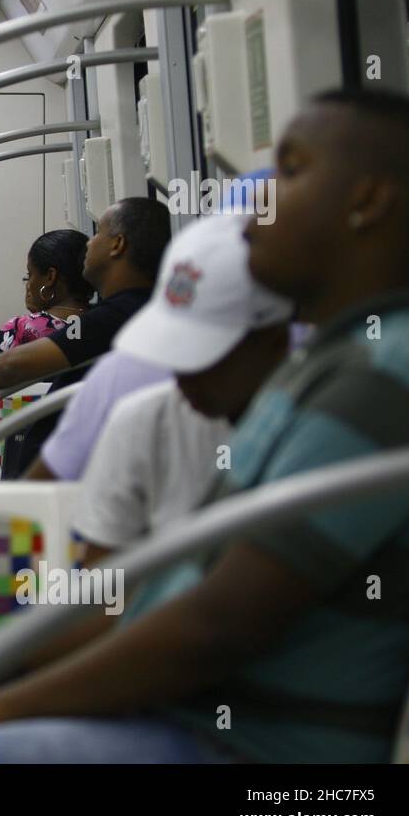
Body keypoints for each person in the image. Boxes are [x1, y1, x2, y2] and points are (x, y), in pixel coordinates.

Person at [0, 90, 409, 764]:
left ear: (367, 201)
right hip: (197, 712)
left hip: (251, 750)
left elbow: (214, 628)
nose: (254, 204)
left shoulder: (383, 378)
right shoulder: (322, 365)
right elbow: (159, 598)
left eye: (289, 170)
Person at [71, 213, 293, 564]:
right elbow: (104, 589)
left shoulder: (312, 431)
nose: (183, 375)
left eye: (203, 355)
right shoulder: (142, 423)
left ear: (275, 343)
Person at [0, 198, 171, 476]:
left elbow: (8, 366)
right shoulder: (136, 311)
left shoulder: (120, 315)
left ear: (117, 244)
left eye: (98, 233)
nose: (89, 244)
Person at [0, 229, 93, 357]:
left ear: (50, 277)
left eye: (30, 274)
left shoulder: (18, 329)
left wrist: (36, 318)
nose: (28, 284)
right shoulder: (107, 319)